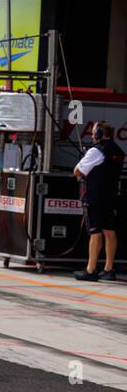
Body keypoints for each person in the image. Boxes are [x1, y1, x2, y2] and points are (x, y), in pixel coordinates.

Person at [73, 121, 123, 282]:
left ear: (99, 134)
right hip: (111, 196)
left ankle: (91, 270)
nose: (92, 135)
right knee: (109, 230)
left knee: (95, 232)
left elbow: (78, 171)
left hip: (95, 197)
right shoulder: (117, 150)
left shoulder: (96, 151)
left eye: (94, 132)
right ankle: (109, 269)